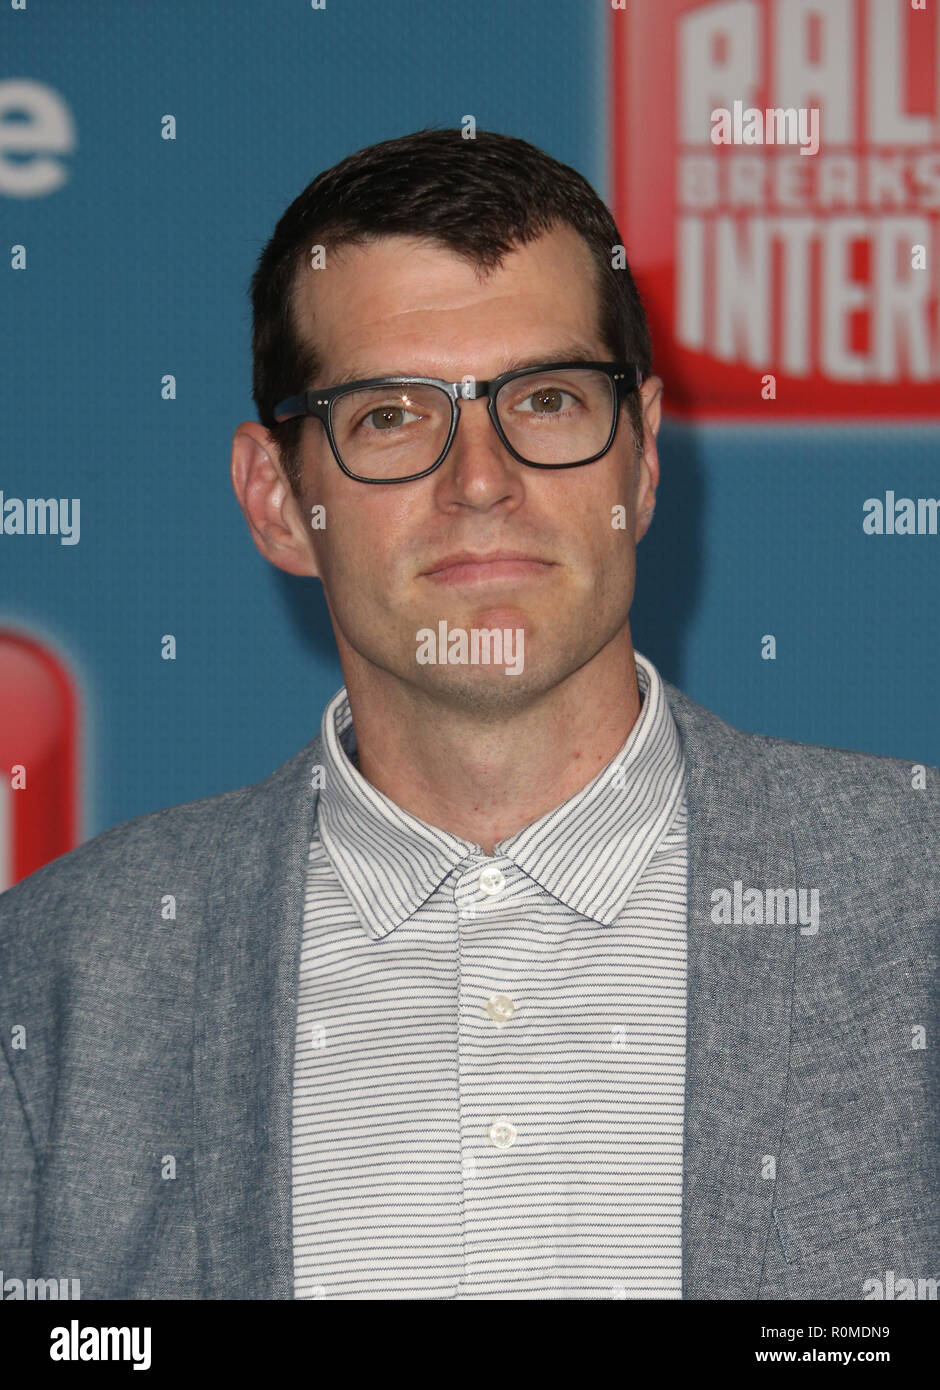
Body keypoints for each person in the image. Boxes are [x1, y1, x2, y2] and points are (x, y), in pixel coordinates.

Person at [0, 128, 935, 1301]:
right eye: (390, 414)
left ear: (640, 464)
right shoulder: (55, 980)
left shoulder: (917, 894)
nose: (480, 479)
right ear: (279, 502)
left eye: (544, 400)